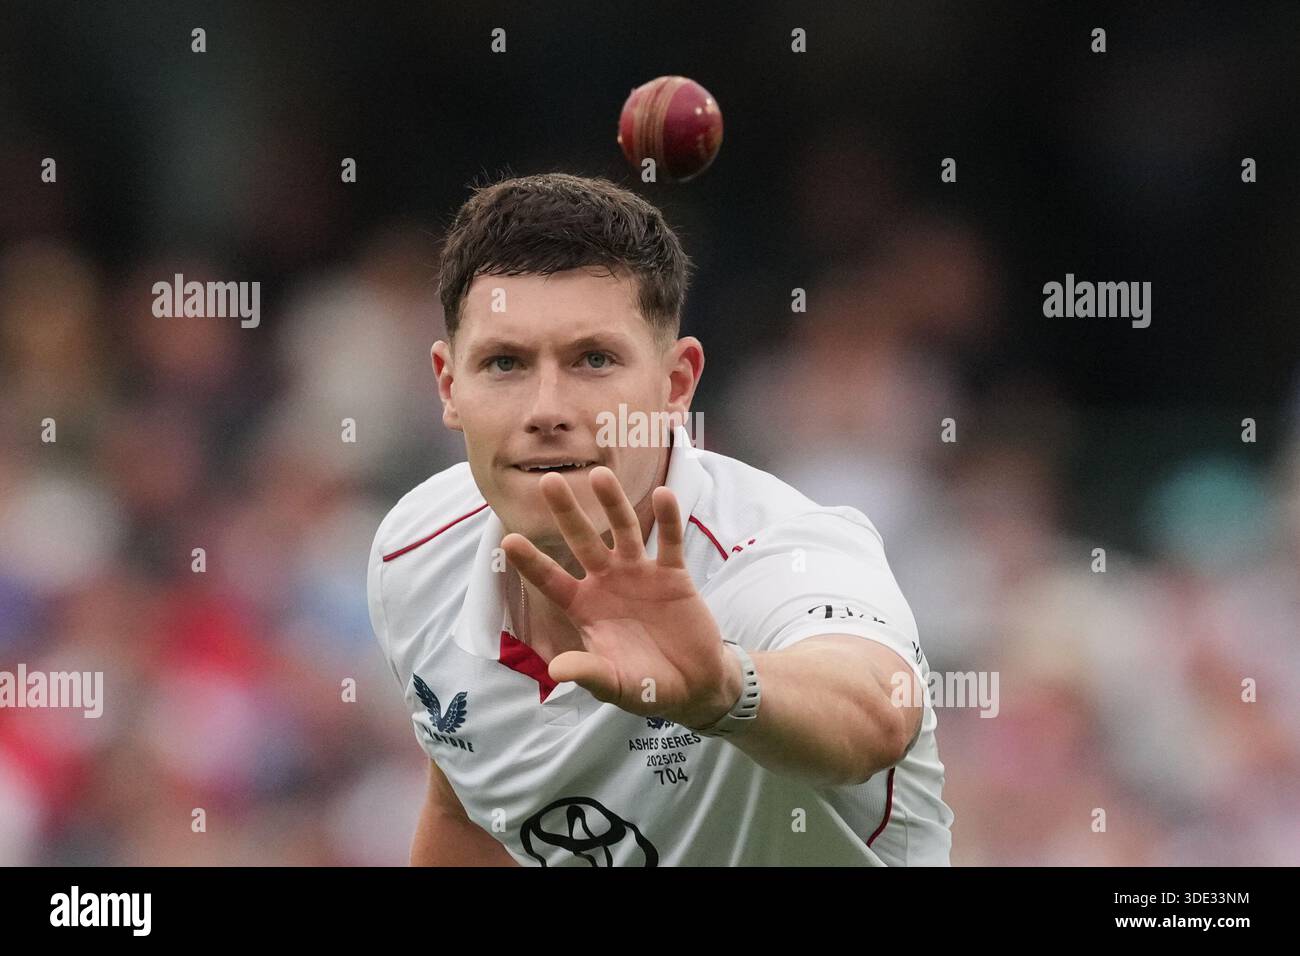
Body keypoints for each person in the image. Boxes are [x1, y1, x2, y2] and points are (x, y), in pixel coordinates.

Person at [366, 172, 953, 866]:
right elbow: (465, 808)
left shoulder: (783, 550)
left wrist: (724, 690)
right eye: (504, 363)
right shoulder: (414, 553)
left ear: (676, 384)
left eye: (593, 359)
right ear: (449, 385)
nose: (547, 409)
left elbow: (880, 712)